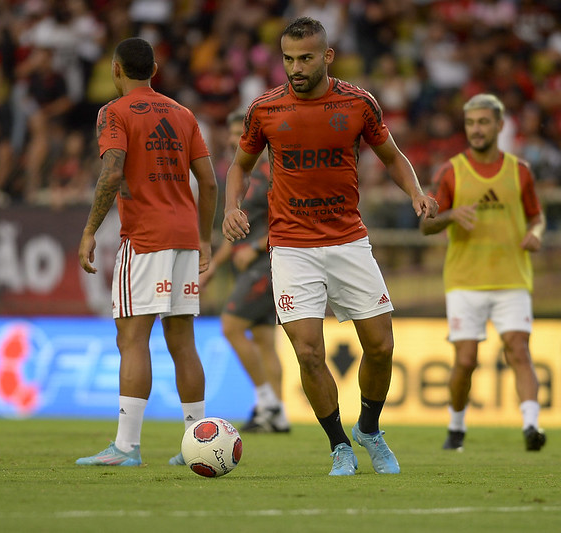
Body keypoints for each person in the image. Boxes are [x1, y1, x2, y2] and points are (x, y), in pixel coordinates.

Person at [222, 17, 438, 476]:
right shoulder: (264, 109)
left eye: (305, 58)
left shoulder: (359, 103)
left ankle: (370, 429)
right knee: (307, 352)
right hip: (291, 247)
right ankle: (340, 444)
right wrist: (230, 207)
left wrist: (416, 193)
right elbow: (240, 166)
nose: (295, 68)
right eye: (288, 59)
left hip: (348, 240)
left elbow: (393, 157)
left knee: (380, 347)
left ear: (327, 56)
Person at [76, 37, 217, 467]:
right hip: (184, 237)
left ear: (116, 69)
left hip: (145, 237)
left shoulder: (113, 113)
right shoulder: (183, 113)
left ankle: (126, 447)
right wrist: (206, 239)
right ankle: (198, 441)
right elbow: (209, 183)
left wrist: (88, 231)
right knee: (182, 341)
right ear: (154, 70)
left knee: (132, 338)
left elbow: (112, 170)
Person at [419, 93, 547, 452]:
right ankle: (456, 427)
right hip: (465, 280)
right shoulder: (450, 171)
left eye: (484, 122)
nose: (476, 129)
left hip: (512, 278)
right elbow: (425, 226)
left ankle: (531, 427)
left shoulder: (519, 171)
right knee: (465, 360)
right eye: (471, 123)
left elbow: (536, 216)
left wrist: (535, 234)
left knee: (519, 351)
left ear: (500, 125)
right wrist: (449, 216)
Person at [200, 109, 289, 434]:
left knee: (231, 327)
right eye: (232, 132)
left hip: (266, 264)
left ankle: (268, 403)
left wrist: (255, 247)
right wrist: (212, 269)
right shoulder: (240, 175)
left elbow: (289, 218)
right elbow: (234, 234)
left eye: (242, 132)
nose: (235, 138)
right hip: (252, 266)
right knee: (265, 340)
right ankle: (278, 415)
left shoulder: (270, 172)